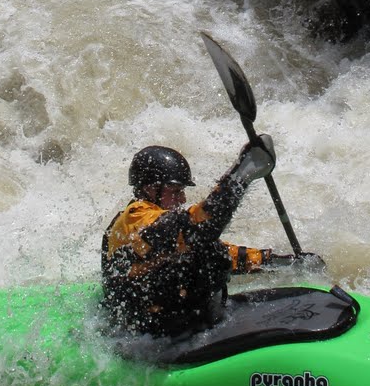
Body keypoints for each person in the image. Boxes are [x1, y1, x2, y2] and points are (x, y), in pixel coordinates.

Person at [101, 140, 321, 337]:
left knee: (210, 252)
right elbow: (202, 227)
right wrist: (242, 174)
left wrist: (281, 262)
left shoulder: (160, 225)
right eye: (175, 190)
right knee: (205, 252)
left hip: (173, 321)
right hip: (149, 332)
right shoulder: (134, 219)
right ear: (150, 188)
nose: (182, 198)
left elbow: (219, 250)